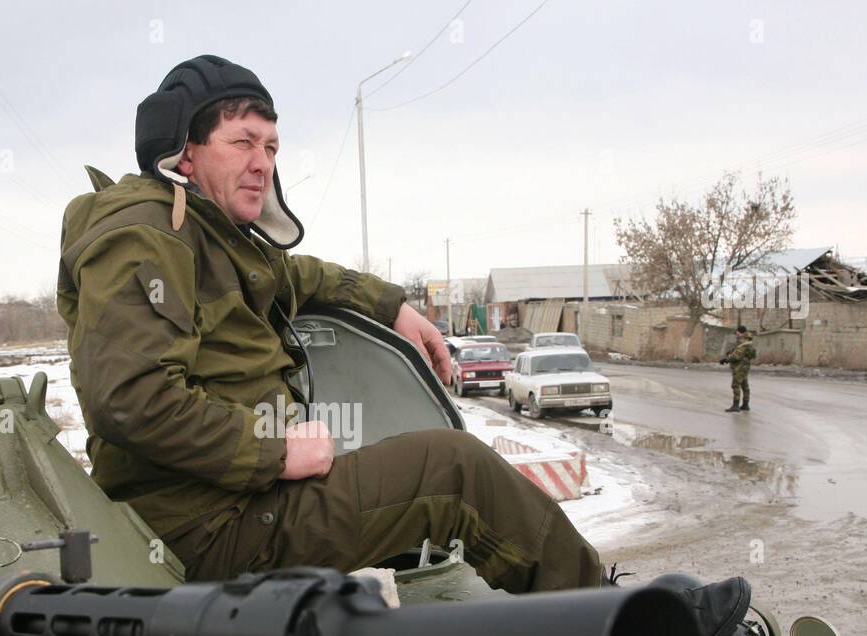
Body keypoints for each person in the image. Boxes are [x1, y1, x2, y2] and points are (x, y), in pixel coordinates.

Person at [55, 55, 605, 594]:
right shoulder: (146, 233)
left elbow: (295, 275)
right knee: (454, 472)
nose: (262, 162)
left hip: (239, 507)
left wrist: (390, 304)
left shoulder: (213, 239)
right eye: (243, 141)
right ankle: (615, 629)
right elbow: (131, 399)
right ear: (185, 153)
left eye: (271, 147)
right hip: (205, 530)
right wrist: (275, 450)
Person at [720, 325, 756, 412]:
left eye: (737, 332)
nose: (736, 334)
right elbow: (738, 351)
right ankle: (745, 405)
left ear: (740, 332)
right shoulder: (747, 340)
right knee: (744, 385)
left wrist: (726, 360)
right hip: (745, 366)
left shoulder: (743, 342)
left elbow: (737, 356)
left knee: (736, 385)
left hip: (740, 367)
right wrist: (731, 352)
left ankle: (735, 406)